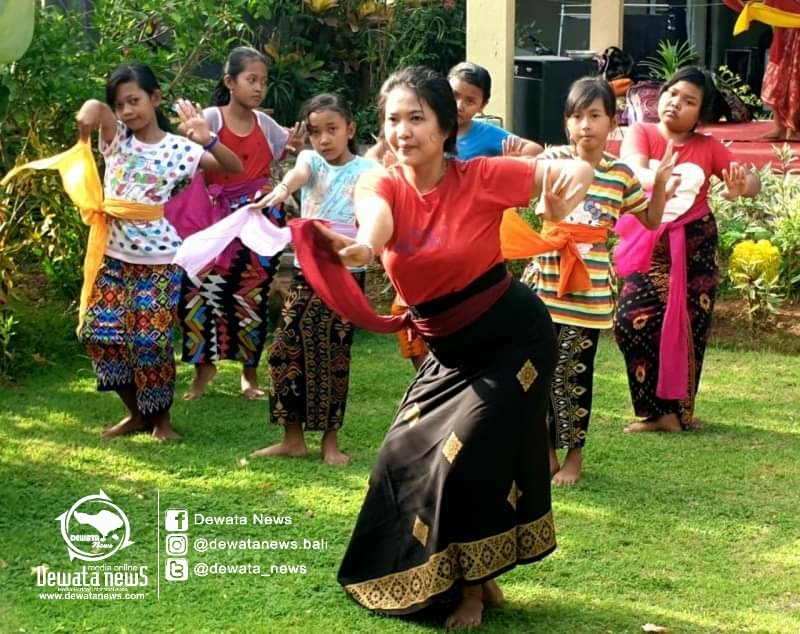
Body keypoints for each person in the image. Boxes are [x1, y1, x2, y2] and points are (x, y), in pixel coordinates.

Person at [315, 66, 593, 629]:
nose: (403, 131)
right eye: (393, 119)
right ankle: (479, 574)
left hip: (513, 338)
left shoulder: (481, 176)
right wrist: (367, 247)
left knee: (464, 456)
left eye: (417, 118)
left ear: (446, 127)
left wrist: (561, 199)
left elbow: (577, 168)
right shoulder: (382, 182)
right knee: (399, 455)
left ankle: (469, 589)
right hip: (447, 351)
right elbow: (377, 221)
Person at [74, 63, 242, 440]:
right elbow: (97, 113)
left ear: (155, 98)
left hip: (160, 261)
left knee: (150, 342)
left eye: (134, 100)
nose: (127, 111)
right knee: (99, 335)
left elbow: (232, 168)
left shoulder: (180, 149)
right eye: (120, 105)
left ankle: (161, 422)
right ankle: (137, 414)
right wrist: (91, 108)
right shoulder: (117, 140)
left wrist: (207, 137)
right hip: (112, 257)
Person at [520, 77, 674, 485]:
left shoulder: (620, 175)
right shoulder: (552, 160)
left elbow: (652, 220)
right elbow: (536, 205)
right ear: (566, 123)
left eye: (594, 115)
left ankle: (574, 458)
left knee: (573, 373)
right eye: (576, 116)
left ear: (612, 122)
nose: (585, 124)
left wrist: (658, 185)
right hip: (544, 287)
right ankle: (546, 453)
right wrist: (550, 208)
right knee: (534, 373)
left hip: (587, 296)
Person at [615, 66, 760, 433]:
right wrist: (663, 178)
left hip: (694, 246)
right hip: (647, 243)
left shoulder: (708, 146)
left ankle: (676, 415)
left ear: (702, 112)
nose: (676, 103)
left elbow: (750, 181)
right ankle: (652, 410)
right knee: (631, 321)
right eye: (672, 93)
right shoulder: (642, 132)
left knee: (689, 328)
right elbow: (633, 169)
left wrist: (742, 185)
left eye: (689, 101)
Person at [249, 94, 378, 465]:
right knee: (285, 350)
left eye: (332, 130)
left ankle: (330, 443)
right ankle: (292, 439)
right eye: (316, 131)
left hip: (344, 274)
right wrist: (281, 190)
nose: (324, 139)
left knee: (332, 356)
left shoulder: (366, 172)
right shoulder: (309, 160)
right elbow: (296, 175)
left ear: (350, 130)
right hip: (306, 273)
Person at [179, 46, 302, 401]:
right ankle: (204, 370)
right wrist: (197, 135)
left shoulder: (266, 124)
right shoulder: (211, 120)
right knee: (197, 292)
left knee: (251, 295)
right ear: (230, 82)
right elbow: (193, 155)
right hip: (215, 221)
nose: (259, 87)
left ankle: (250, 375)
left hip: (258, 220)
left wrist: (292, 146)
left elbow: (282, 152)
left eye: (263, 81)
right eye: (251, 80)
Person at [448, 61, 543, 159]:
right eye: (454, 95)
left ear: (482, 106)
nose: (459, 106)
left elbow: (535, 150)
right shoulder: (432, 124)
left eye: (470, 101)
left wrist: (510, 162)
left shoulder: (485, 134)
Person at [759, 1, 800, 140]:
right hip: (783, 34)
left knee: (795, 82)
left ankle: (793, 129)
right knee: (777, 81)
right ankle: (780, 128)